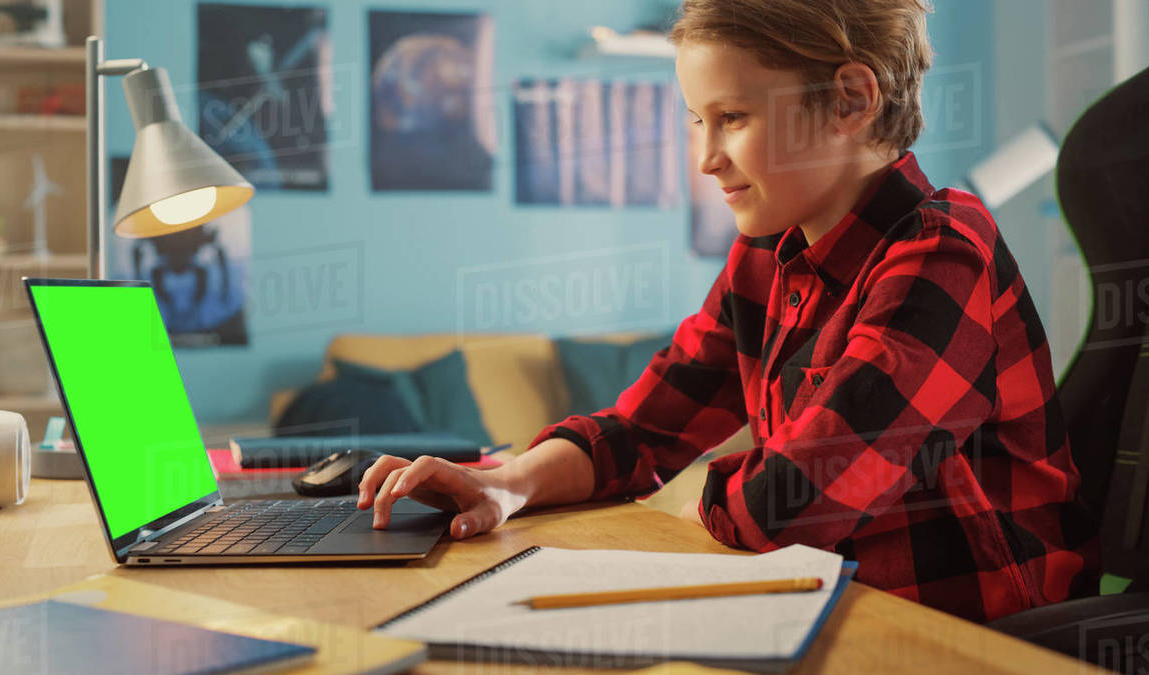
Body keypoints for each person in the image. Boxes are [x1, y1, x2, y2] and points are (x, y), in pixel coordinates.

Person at [356, 0, 1099, 622]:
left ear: (850, 100)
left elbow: (798, 502)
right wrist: (506, 481)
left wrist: (698, 509)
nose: (706, 156)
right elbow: (643, 430)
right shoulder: (767, 255)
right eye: (695, 121)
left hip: (974, 635)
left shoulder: (943, 252)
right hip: (834, 612)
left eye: (732, 116)